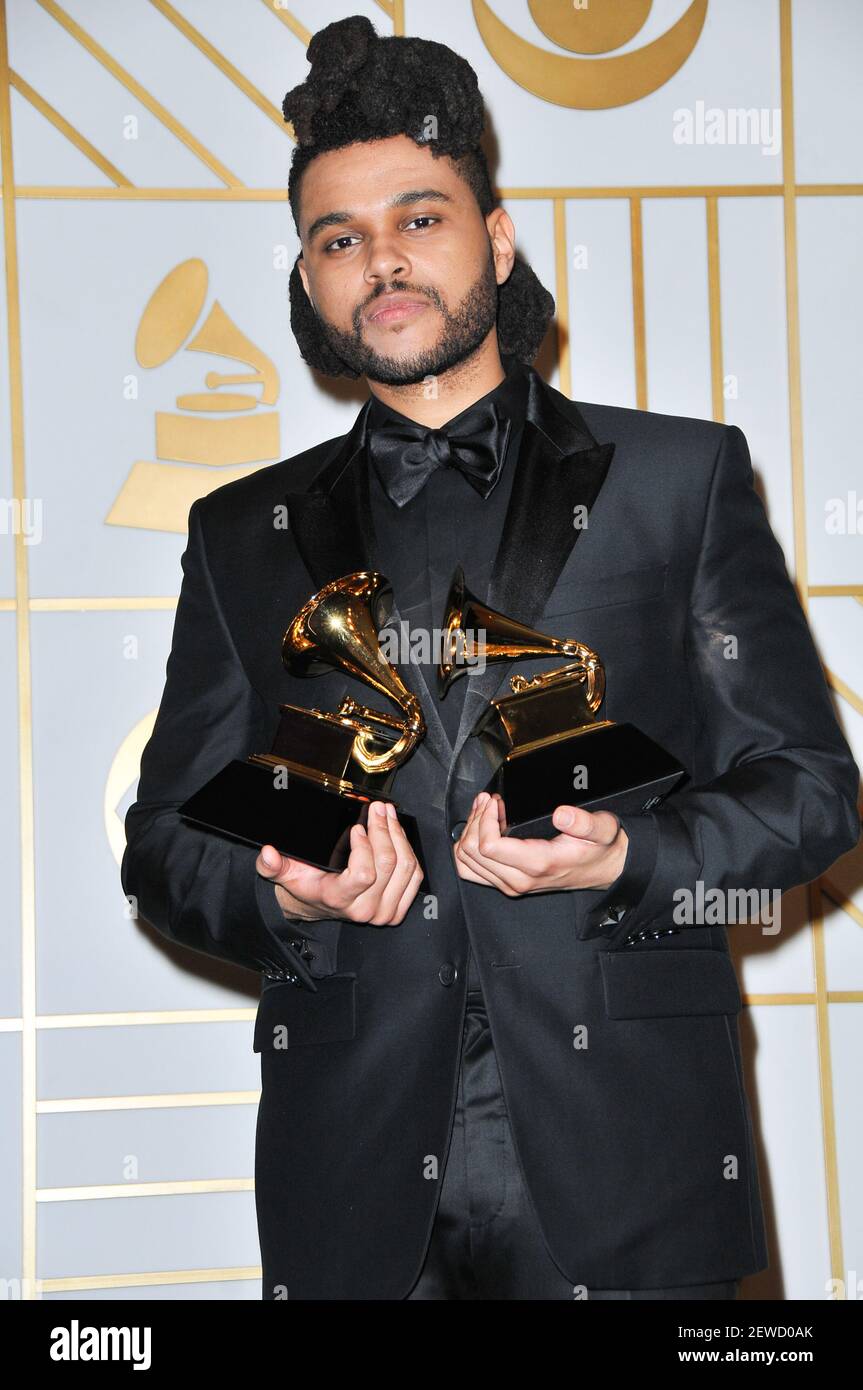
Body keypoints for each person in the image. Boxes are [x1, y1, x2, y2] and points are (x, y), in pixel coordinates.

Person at [121, 15, 860, 1301]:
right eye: (337, 239)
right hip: (350, 1187)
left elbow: (808, 790)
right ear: (307, 281)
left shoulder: (675, 483)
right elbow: (166, 847)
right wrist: (290, 897)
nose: (380, 263)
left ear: (495, 239)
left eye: (419, 219)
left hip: (629, 1164)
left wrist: (632, 855)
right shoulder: (242, 532)